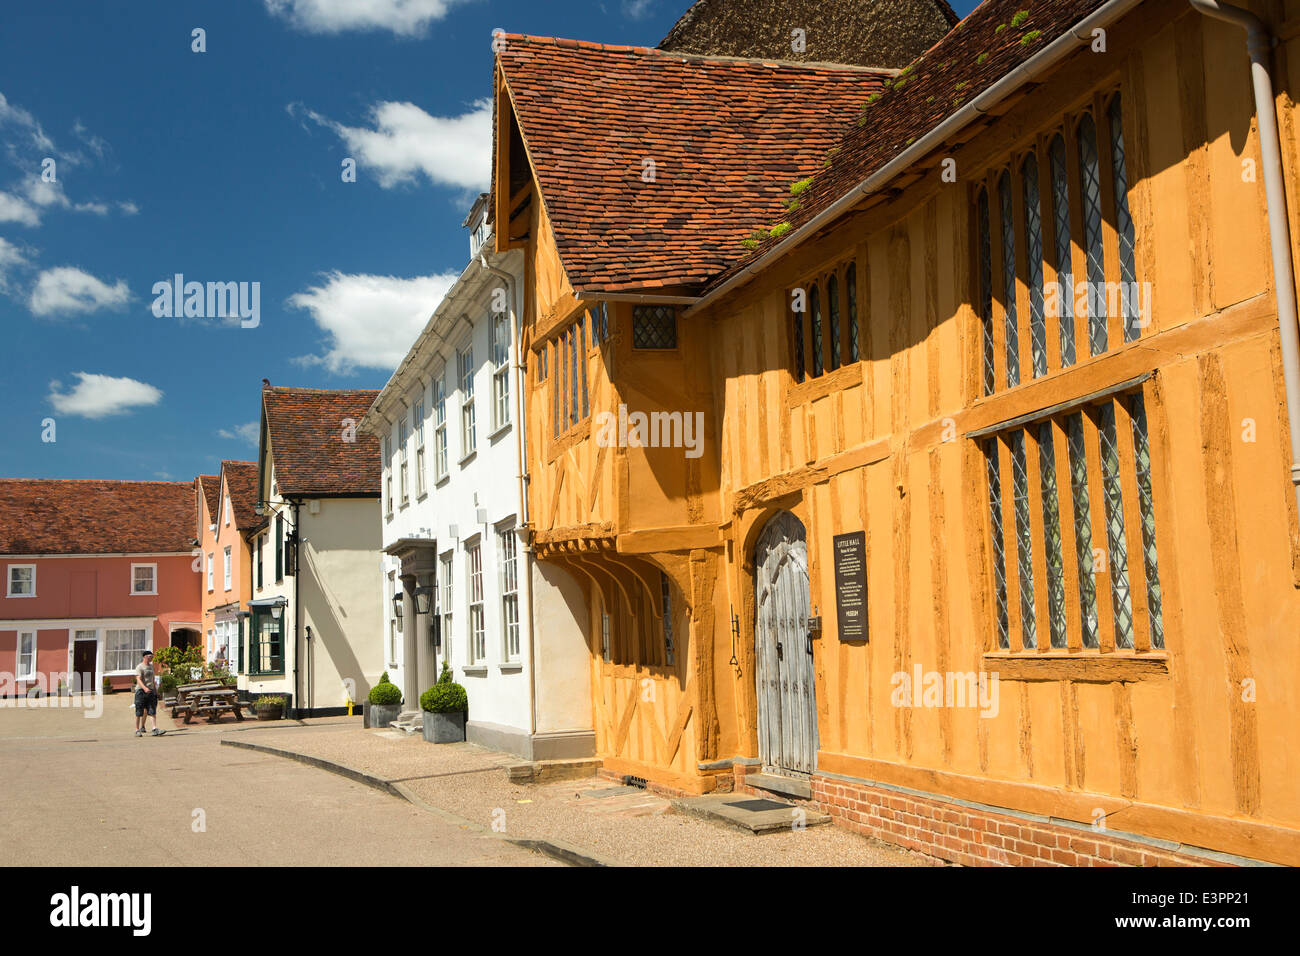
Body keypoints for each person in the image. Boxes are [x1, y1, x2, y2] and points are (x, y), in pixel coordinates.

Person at [134, 651, 164, 737]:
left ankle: (154, 729)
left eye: (152, 656)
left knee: (152, 710)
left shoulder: (151, 667)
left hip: (150, 691)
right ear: (145, 657)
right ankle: (137, 730)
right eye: (150, 656)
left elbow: (153, 680)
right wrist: (144, 688)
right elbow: (138, 679)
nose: (151, 658)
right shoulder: (140, 667)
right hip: (140, 691)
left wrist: (156, 691)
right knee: (139, 711)